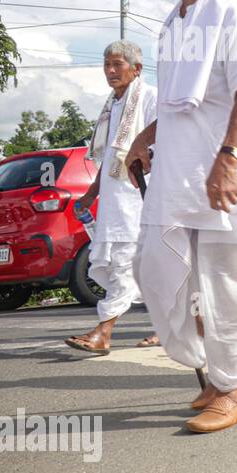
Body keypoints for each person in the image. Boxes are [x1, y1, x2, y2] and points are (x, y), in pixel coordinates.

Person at [126, 0, 237, 433]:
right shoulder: (173, 22)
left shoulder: (234, 16)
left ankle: (232, 391)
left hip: (218, 168)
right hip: (176, 170)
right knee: (155, 268)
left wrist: (228, 159)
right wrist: (145, 137)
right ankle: (215, 369)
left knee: (225, 282)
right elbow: (176, 100)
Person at [65, 40, 159, 354]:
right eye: (107, 64)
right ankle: (172, 327)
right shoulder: (112, 106)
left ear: (137, 69)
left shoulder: (150, 97)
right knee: (143, 269)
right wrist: (89, 195)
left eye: (117, 64)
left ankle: (103, 332)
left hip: (139, 198)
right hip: (114, 202)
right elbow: (109, 159)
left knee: (124, 264)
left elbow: (165, 136)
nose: (110, 71)